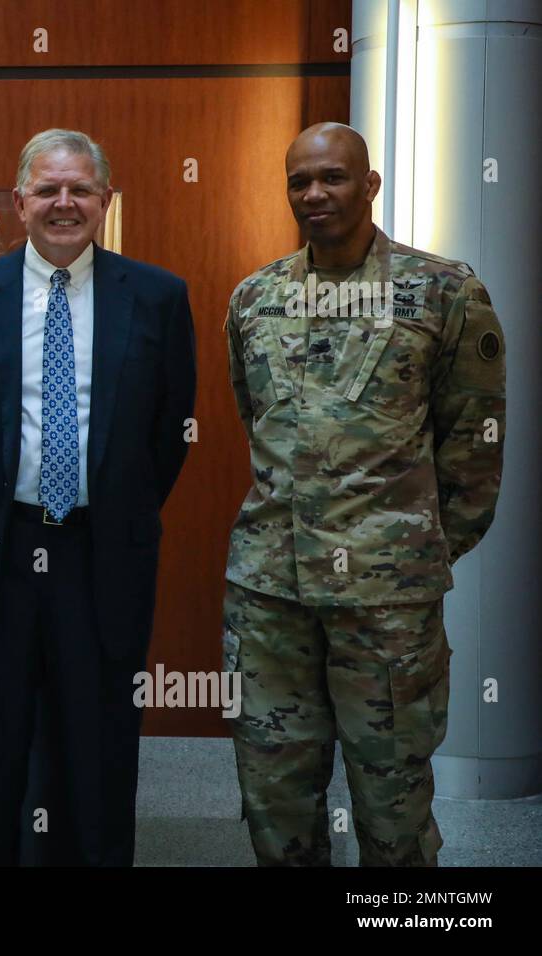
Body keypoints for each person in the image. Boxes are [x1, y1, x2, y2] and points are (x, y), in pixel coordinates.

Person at [223, 123, 506, 866]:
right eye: (299, 181)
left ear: (370, 184)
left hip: (386, 607)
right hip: (269, 596)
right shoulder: (254, 297)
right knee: (274, 795)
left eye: (334, 177)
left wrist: (408, 551)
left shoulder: (444, 290)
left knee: (392, 803)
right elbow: (255, 420)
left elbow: (474, 445)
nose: (314, 193)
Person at [0, 128, 196, 865]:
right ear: (19, 203)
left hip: (101, 555)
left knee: (99, 750)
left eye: (79, 189)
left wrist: (113, 505)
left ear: (104, 199)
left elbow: (170, 435)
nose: (63, 203)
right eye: (48, 189)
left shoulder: (161, 299)